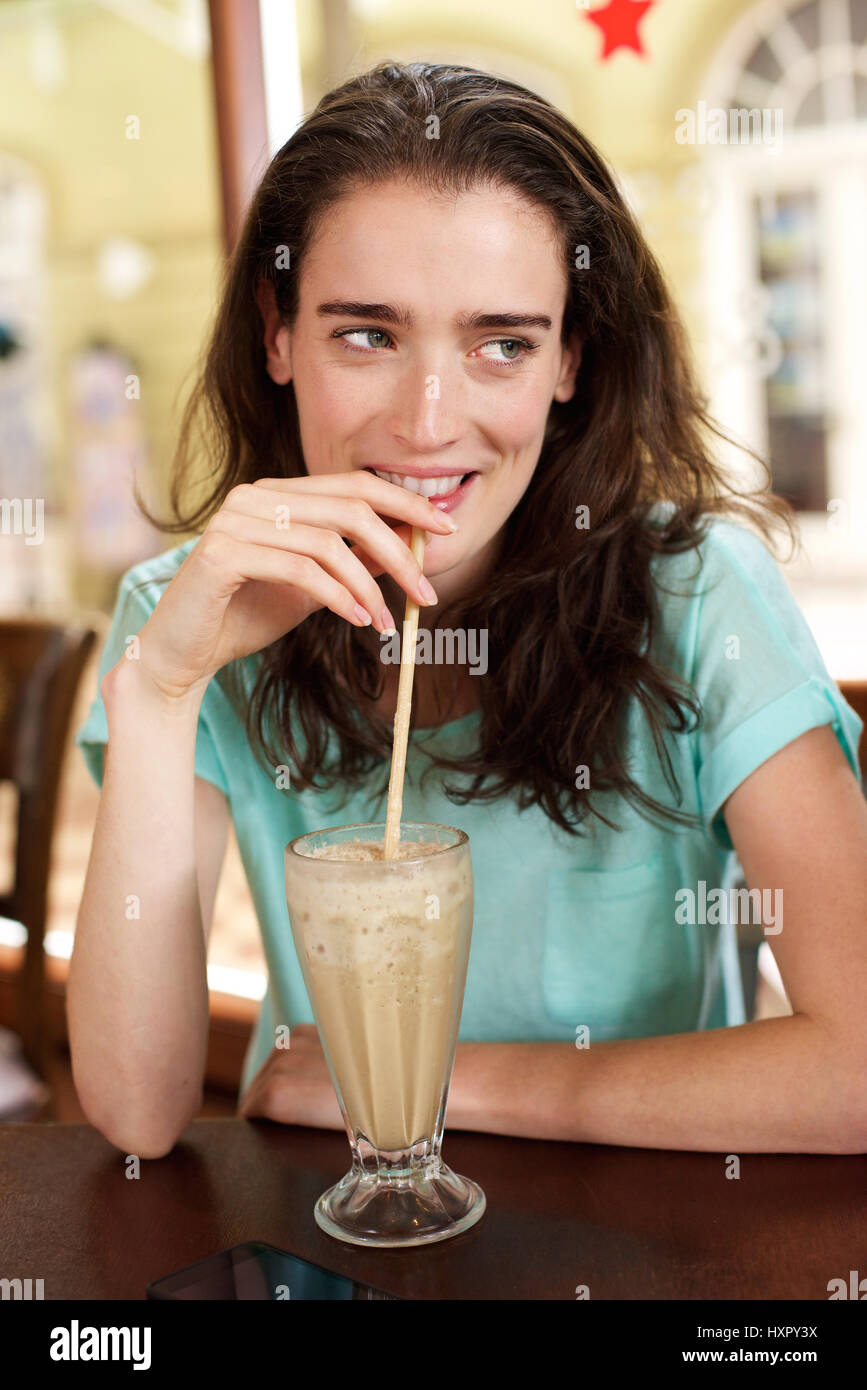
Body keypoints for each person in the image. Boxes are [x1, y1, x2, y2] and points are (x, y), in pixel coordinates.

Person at [69, 61, 866, 1159]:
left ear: (570, 359)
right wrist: (161, 691)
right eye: (367, 334)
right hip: (329, 1237)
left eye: (502, 342)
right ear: (277, 333)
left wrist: (431, 1083)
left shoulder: (697, 598)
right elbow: (135, 1110)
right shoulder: (188, 618)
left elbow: (859, 1067)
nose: (429, 422)